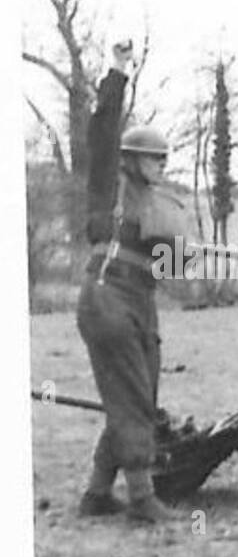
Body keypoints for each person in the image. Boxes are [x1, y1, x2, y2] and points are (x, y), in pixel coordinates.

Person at [75, 41, 188, 524]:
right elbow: (103, 131)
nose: (161, 164)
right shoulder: (109, 184)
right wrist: (117, 72)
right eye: (153, 158)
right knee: (133, 396)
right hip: (108, 297)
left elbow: (173, 267)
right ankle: (142, 499)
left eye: (163, 158)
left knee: (134, 393)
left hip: (140, 301)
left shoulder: (157, 204)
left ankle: (97, 494)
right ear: (131, 159)